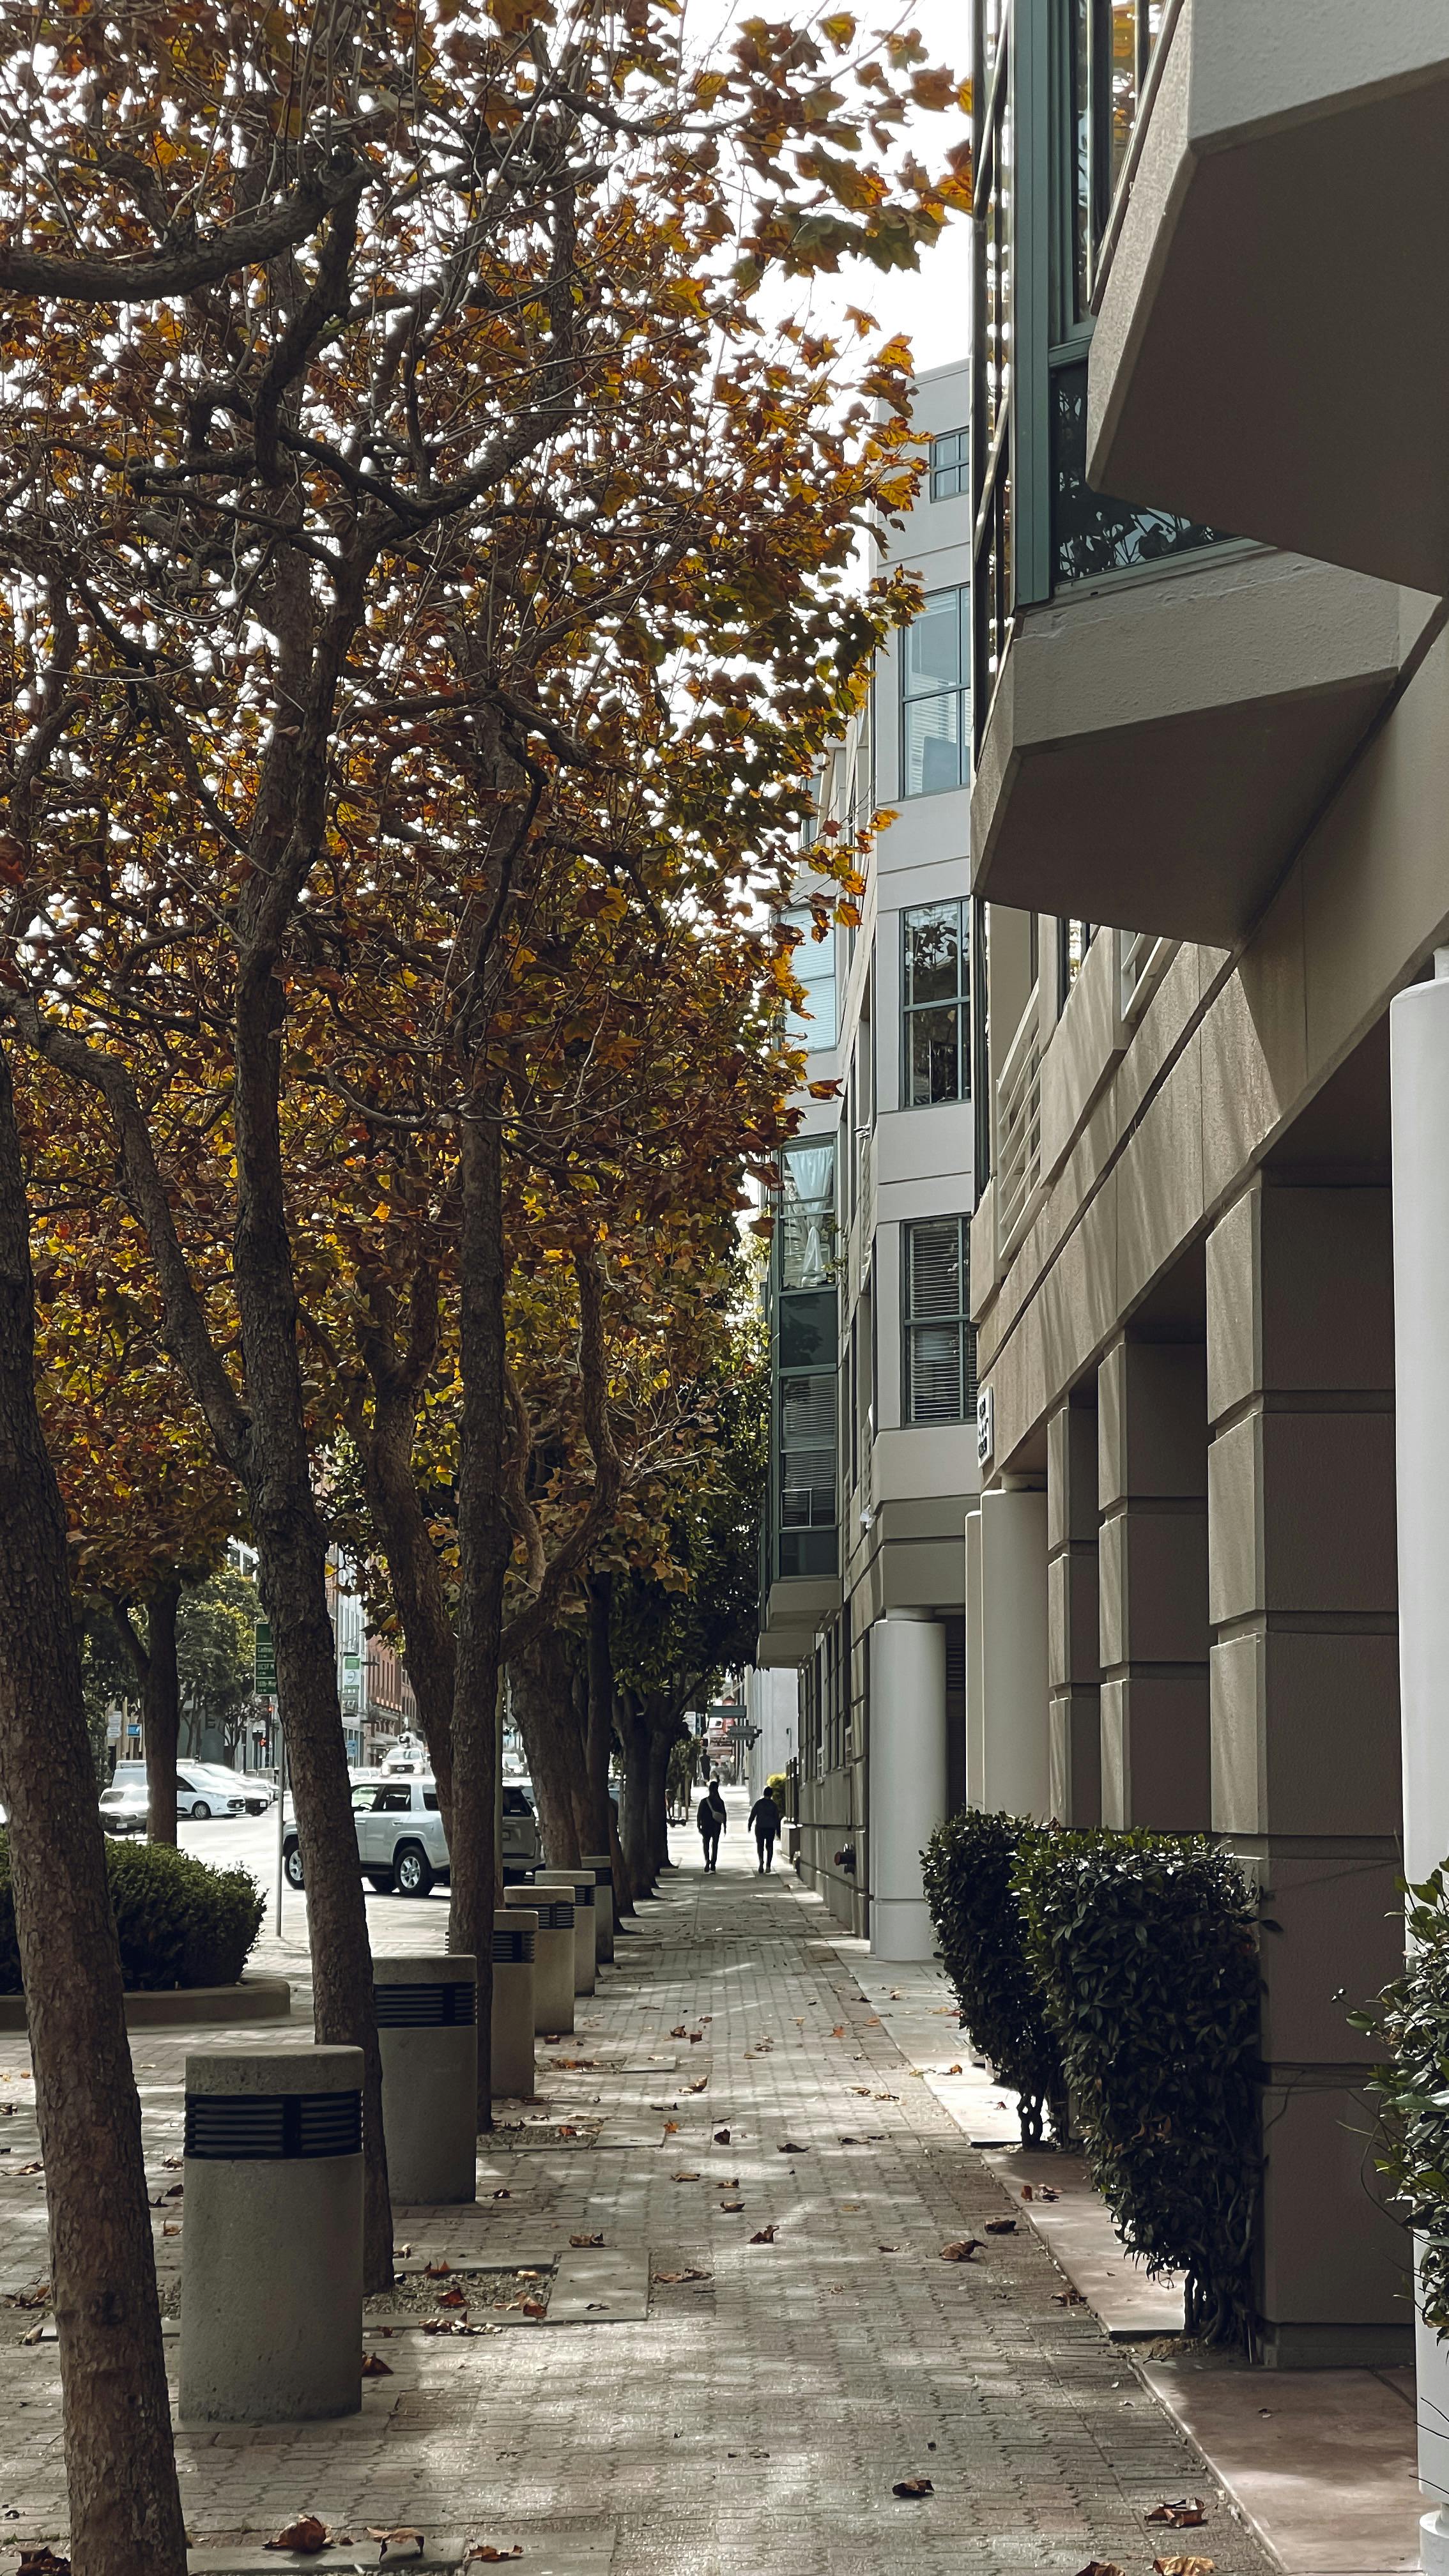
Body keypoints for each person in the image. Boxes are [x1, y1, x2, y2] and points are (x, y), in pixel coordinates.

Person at [747, 1787, 782, 1873]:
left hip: (760, 1828)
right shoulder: (773, 1805)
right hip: (770, 1828)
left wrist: (749, 1825)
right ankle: (768, 1866)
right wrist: (778, 1831)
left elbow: (753, 1814)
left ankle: (761, 1861)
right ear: (771, 1795)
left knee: (760, 1846)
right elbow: (777, 1819)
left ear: (764, 1793)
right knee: (770, 1847)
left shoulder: (759, 1803)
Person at [696, 1777, 726, 1871]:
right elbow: (724, 1814)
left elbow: (699, 1814)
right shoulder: (720, 1802)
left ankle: (707, 1860)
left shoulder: (704, 1801)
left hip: (706, 1826)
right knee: (715, 1844)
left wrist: (698, 1825)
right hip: (717, 1826)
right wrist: (725, 1826)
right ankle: (713, 1863)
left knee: (706, 1843)